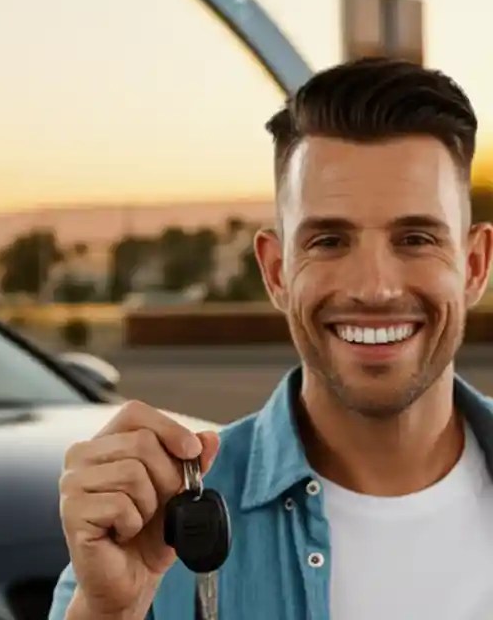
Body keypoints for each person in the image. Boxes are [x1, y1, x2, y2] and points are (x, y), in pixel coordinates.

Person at [49, 57, 493, 620]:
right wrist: (111, 612)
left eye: (415, 238)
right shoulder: (154, 529)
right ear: (277, 271)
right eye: (330, 240)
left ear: (474, 264)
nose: (375, 287)